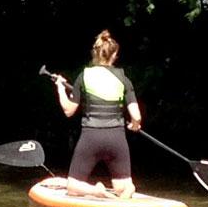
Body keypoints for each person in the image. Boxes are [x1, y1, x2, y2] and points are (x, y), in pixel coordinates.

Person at [50, 29, 141, 196]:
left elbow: (69, 111)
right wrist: (135, 125)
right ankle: (128, 188)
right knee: (122, 186)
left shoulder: (84, 76)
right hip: (117, 138)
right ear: (114, 56)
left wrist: (60, 88)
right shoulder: (124, 79)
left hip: (91, 137)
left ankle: (95, 190)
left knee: (72, 187)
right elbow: (136, 116)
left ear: (96, 53)